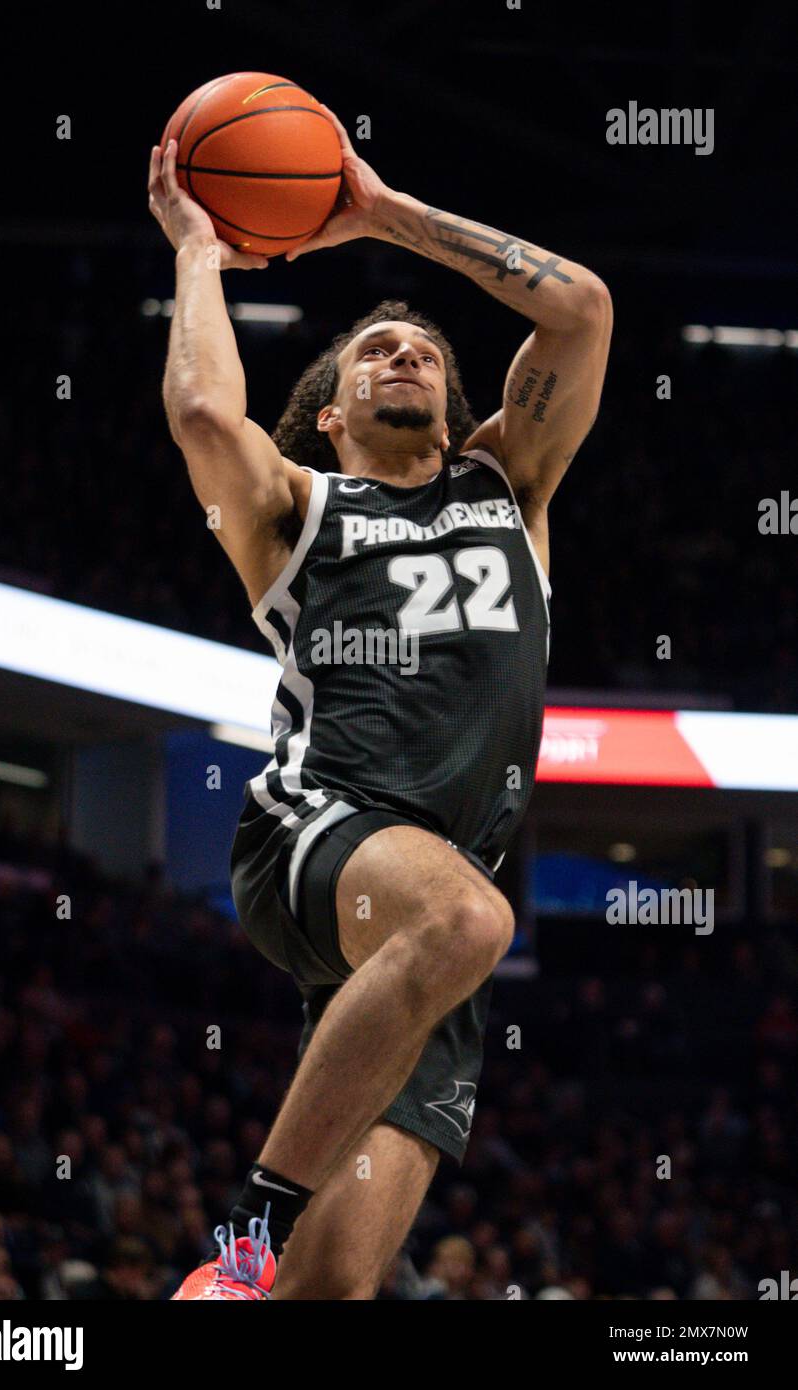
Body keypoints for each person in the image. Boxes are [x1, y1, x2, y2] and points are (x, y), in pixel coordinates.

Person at [149, 104, 611, 1300]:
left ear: (458, 414)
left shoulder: (508, 486)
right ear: (327, 416)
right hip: (316, 832)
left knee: (337, 1288)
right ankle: (241, 1244)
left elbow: (579, 309)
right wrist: (198, 247)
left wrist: (380, 214)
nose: (402, 354)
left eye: (422, 351)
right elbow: (205, 414)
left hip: (425, 910)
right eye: (373, 352)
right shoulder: (295, 509)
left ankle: (271, 1275)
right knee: (468, 924)